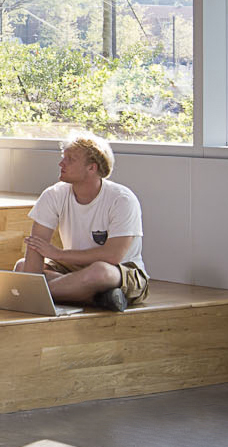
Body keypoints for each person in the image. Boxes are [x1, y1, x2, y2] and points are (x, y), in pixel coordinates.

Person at [15, 132, 149, 312]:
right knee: (22, 266)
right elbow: (36, 247)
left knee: (99, 272)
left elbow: (113, 256)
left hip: (120, 270)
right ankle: (99, 298)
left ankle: (31, 295)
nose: (61, 163)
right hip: (73, 268)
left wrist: (58, 254)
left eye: (70, 159)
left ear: (91, 168)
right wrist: (30, 278)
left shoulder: (122, 199)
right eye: (63, 158)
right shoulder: (53, 195)